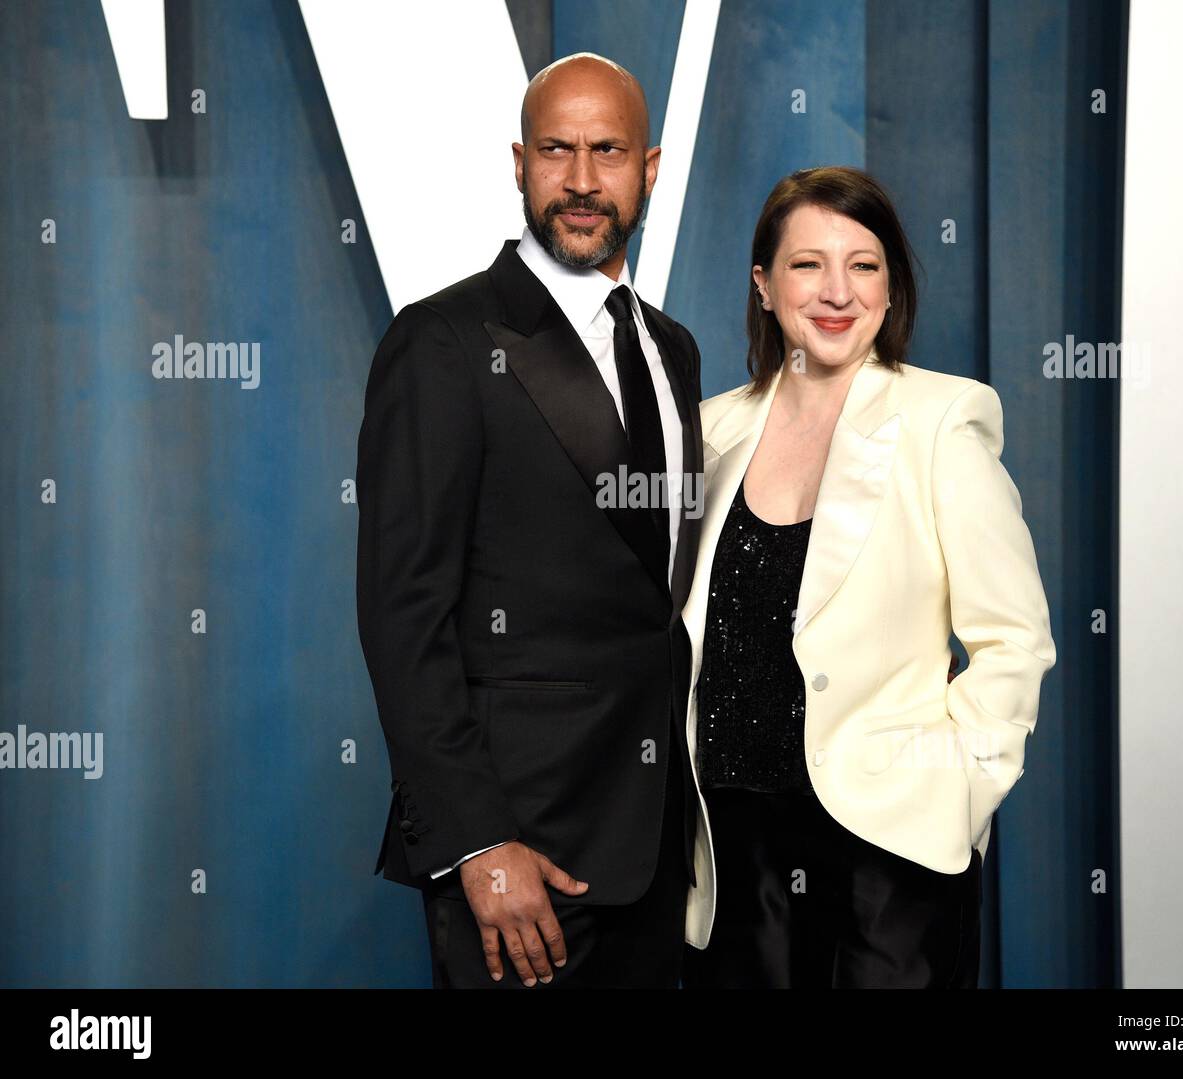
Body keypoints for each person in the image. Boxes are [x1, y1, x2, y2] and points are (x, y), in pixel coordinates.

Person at [355, 53, 705, 989]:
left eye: (608, 151)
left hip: (657, 853)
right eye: (557, 150)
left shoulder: (673, 349)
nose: (583, 182)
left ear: (651, 168)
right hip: (521, 860)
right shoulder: (444, 341)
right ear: (519, 163)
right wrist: (476, 843)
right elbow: (404, 617)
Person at [678, 166, 1056, 988]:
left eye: (865, 264)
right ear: (765, 285)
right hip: (734, 859)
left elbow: (1014, 639)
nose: (837, 290)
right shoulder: (709, 434)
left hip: (890, 859)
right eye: (808, 263)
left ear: (891, 288)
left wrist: (954, 795)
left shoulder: (941, 422)